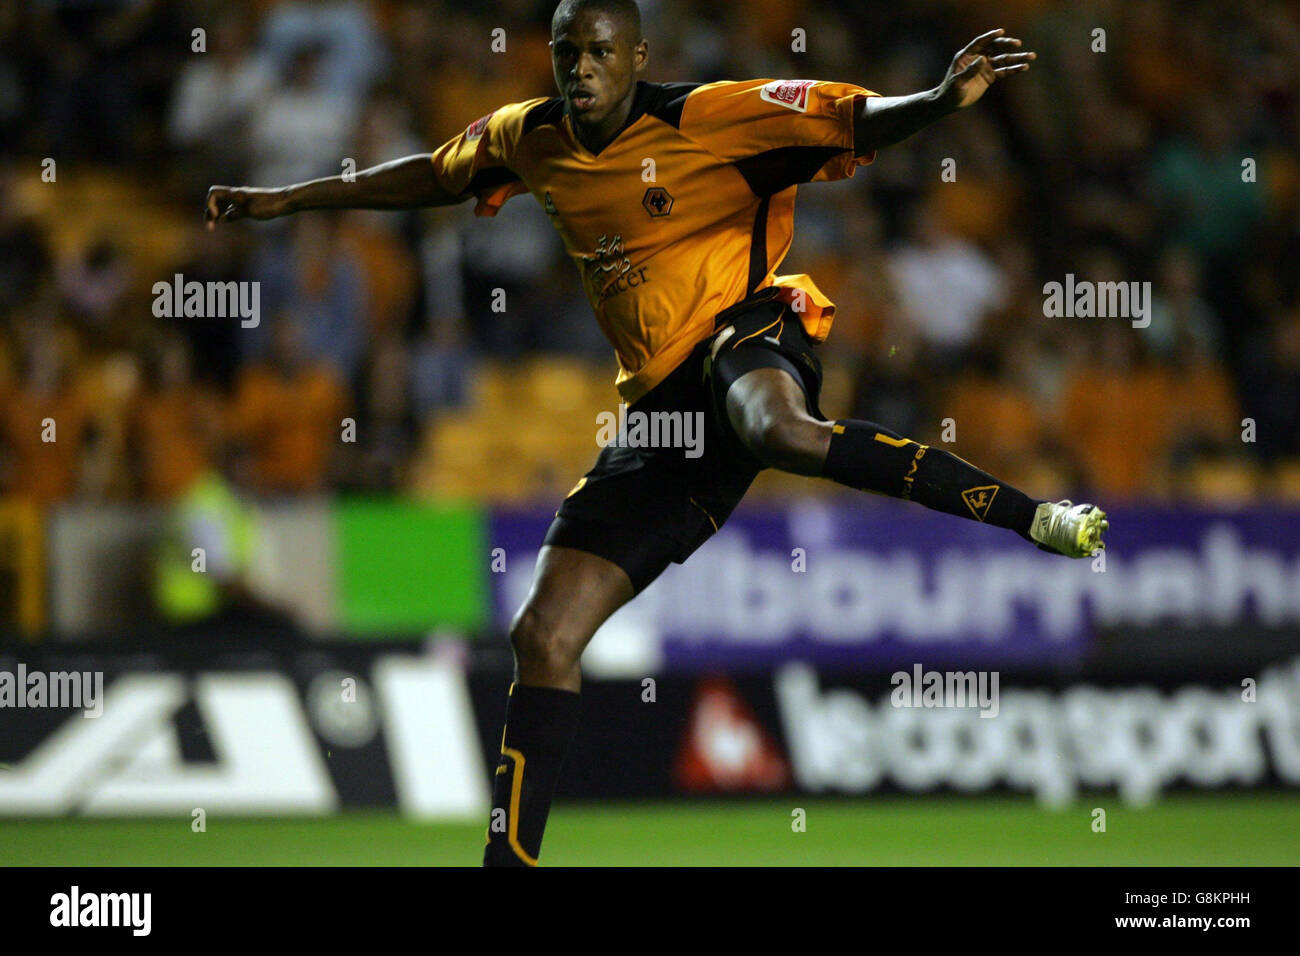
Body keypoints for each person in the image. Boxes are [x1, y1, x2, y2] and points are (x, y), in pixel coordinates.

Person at [205, 0, 1108, 866]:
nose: (581, 68)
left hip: (750, 325)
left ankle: (1031, 517)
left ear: (638, 57)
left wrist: (940, 102)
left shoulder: (711, 119)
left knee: (778, 430)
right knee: (543, 635)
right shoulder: (530, 137)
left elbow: (853, 123)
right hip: (667, 410)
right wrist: (291, 200)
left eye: (600, 51)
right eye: (567, 52)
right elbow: (432, 175)